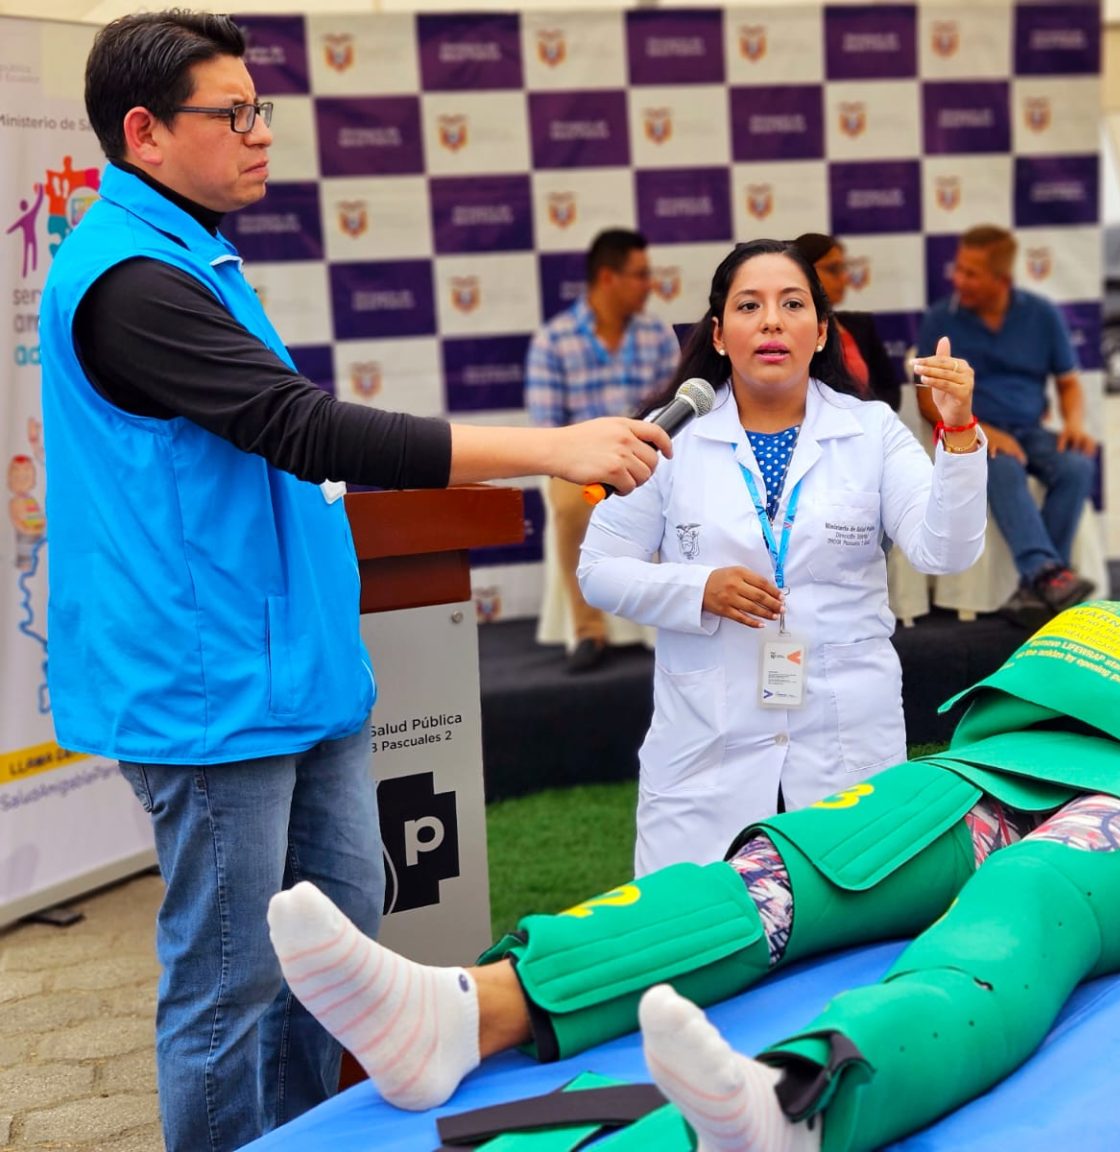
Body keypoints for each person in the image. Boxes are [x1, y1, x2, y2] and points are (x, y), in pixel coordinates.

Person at [40, 14, 669, 1152]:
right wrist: (552, 447)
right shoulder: (129, 280)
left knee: (328, 968)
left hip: (296, 670)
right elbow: (303, 429)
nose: (258, 134)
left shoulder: (187, 251)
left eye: (258, 107)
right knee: (228, 990)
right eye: (228, 114)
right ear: (142, 133)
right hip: (212, 688)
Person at [266, 588, 1120, 1151]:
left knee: (1030, 903)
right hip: (1029, 742)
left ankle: (800, 1103)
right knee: (803, 861)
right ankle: (465, 1011)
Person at [576, 238, 988, 874]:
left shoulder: (871, 429)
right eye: (749, 306)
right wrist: (695, 590)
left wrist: (957, 431)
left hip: (845, 739)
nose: (771, 321)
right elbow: (598, 570)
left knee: (850, 940)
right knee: (694, 937)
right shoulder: (669, 432)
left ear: (822, 332)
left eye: (792, 304)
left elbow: (946, 551)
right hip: (707, 745)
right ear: (718, 336)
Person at [917, 224, 1098, 623]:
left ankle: (1039, 583)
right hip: (973, 432)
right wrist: (981, 430)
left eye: (970, 273)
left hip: (1031, 431)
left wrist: (1074, 423)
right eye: (959, 269)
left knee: (1078, 464)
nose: (958, 280)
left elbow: (1068, 383)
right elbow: (927, 401)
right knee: (999, 464)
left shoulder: (1042, 314)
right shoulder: (939, 321)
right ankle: (1047, 574)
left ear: (1002, 279)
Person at [526, 229, 681, 673]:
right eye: (640, 275)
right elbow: (546, 429)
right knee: (572, 508)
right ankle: (589, 631)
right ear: (607, 278)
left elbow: (673, 410)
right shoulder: (553, 341)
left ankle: (683, 617)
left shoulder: (656, 334)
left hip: (649, 458)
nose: (650, 284)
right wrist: (584, 456)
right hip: (580, 467)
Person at [789, 232, 901, 411]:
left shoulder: (862, 325)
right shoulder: (790, 333)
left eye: (843, 268)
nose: (845, 278)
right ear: (803, 271)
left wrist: (869, 421)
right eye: (833, 269)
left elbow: (890, 391)